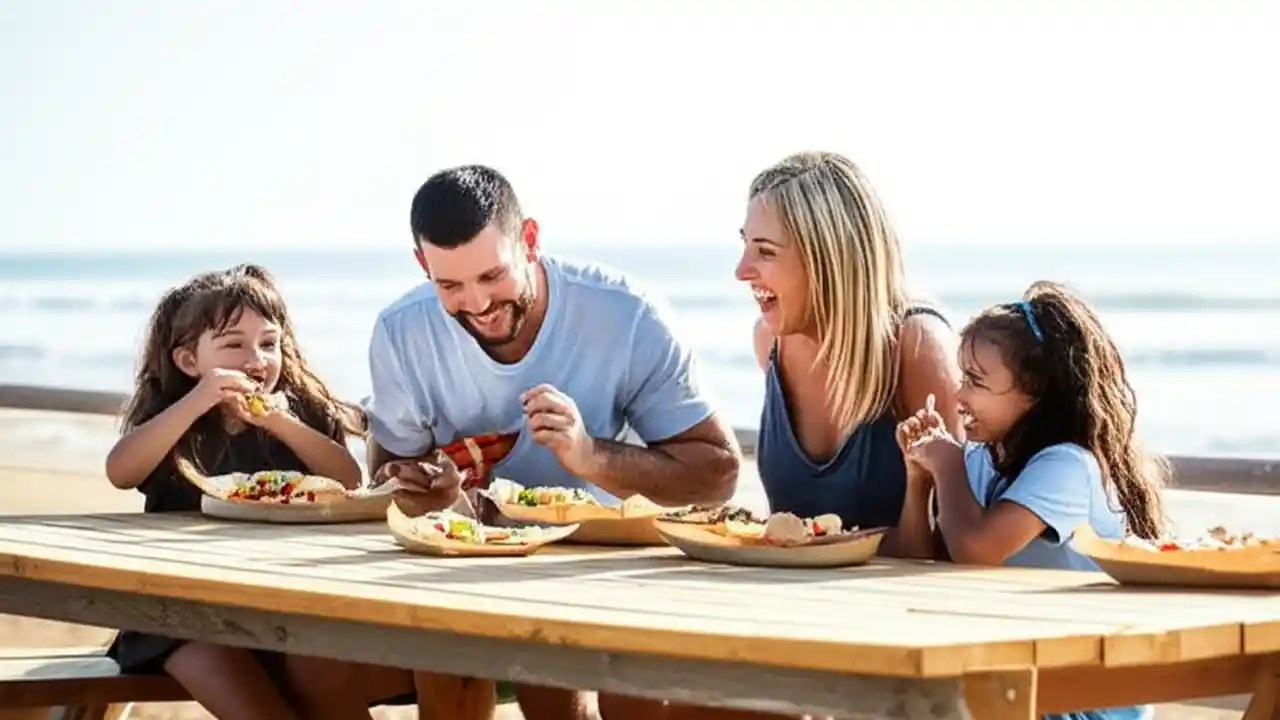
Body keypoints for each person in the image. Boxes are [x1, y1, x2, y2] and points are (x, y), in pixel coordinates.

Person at [363, 163, 743, 720]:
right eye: (450, 285)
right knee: (443, 664)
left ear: (531, 241)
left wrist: (590, 455)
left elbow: (717, 474)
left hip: (600, 563)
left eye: (493, 276)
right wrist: (427, 490)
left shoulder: (624, 313)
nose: (477, 304)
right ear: (423, 266)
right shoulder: (402, 331)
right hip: (462, 569)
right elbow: (389, 475)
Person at [104, 263, 416, 720]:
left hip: (282, 605)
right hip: (178, 616)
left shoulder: (299, 410)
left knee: (320, 670)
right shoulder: (176, 418)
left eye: (268, 344)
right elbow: (120, 471)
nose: (256, 359)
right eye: (234, 345)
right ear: (189, 361)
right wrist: (198, 401)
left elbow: (348, 481)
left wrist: (279, 422)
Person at [897, 280, 1167, 720]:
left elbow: (976, 550)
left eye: (977, 382)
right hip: (1018, 678)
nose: (960, 396)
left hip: (1084, 698)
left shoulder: (1067, 466)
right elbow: (913, 560)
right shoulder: (983, 457)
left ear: (1036, 393)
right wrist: (918, 481)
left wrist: (945, 465)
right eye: (962, 377)